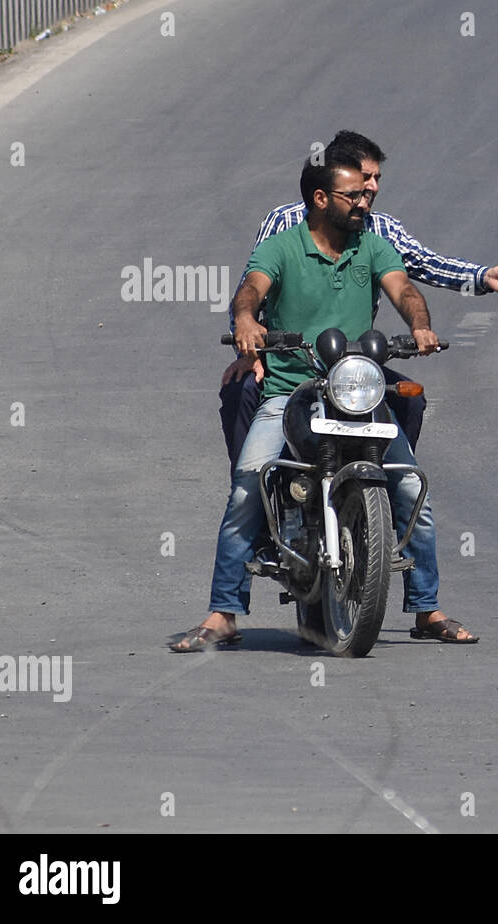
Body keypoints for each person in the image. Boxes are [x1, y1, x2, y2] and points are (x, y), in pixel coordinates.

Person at [173, 149, 473, 651]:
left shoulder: (373, 247)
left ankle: (427, 608)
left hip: (357, 393)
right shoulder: (283, 246)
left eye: (364, 192)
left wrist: (420, 326)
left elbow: (403, 290)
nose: (363, 201)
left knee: (409, 491)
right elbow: (252, 288)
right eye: (352, 194)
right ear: (320, 198)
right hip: (290, 392)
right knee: (249, 484)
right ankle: (223, 611)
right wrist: (247, 322)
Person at [219, 129, 498, 463]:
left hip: (351, 365)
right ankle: (257, 498)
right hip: (285, 360)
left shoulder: (379, 231)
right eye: (363, 179)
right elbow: (250, 289)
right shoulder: (284, 223)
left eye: (375, 179)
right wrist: (250, 349)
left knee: (410, 402)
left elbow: (422, 268)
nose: (370, 188)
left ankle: (387, 487)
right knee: (240, 395)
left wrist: (483, 277)